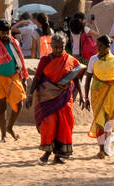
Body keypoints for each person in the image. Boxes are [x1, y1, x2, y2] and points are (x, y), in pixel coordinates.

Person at [27, 32, 83, 164]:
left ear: (65, 46)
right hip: (47, 98)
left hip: (64, 99)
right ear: (51, 46)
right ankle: (47, 152)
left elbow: (76, 79)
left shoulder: (70, 60)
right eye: (56, 47)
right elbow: (37, 78)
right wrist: (30, 95)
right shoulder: (45, 60)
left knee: (64, 125)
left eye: (61, 47)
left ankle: (58, 156)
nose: (58, 50)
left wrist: (82, 96)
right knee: (49, 124)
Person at [81, 35, 114, 159]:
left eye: (100, 46)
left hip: (111, 93)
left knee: (108, 121)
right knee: (100, 121)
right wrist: (86, 98)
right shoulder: (93, 60)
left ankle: (106, 147)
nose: (98, 49)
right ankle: (101, 149)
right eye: (97, 46)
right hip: (97, 94)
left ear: (108, 47)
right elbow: (87, 79)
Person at [0, 19, 28, 142]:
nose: (5, 35)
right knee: (1, 107)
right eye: (3, 33)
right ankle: (3, 135)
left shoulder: (14, 44)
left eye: (7, 32)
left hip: (13, 76)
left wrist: (24, 78)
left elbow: (20, 61)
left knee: (19, 104)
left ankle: (10, 127)